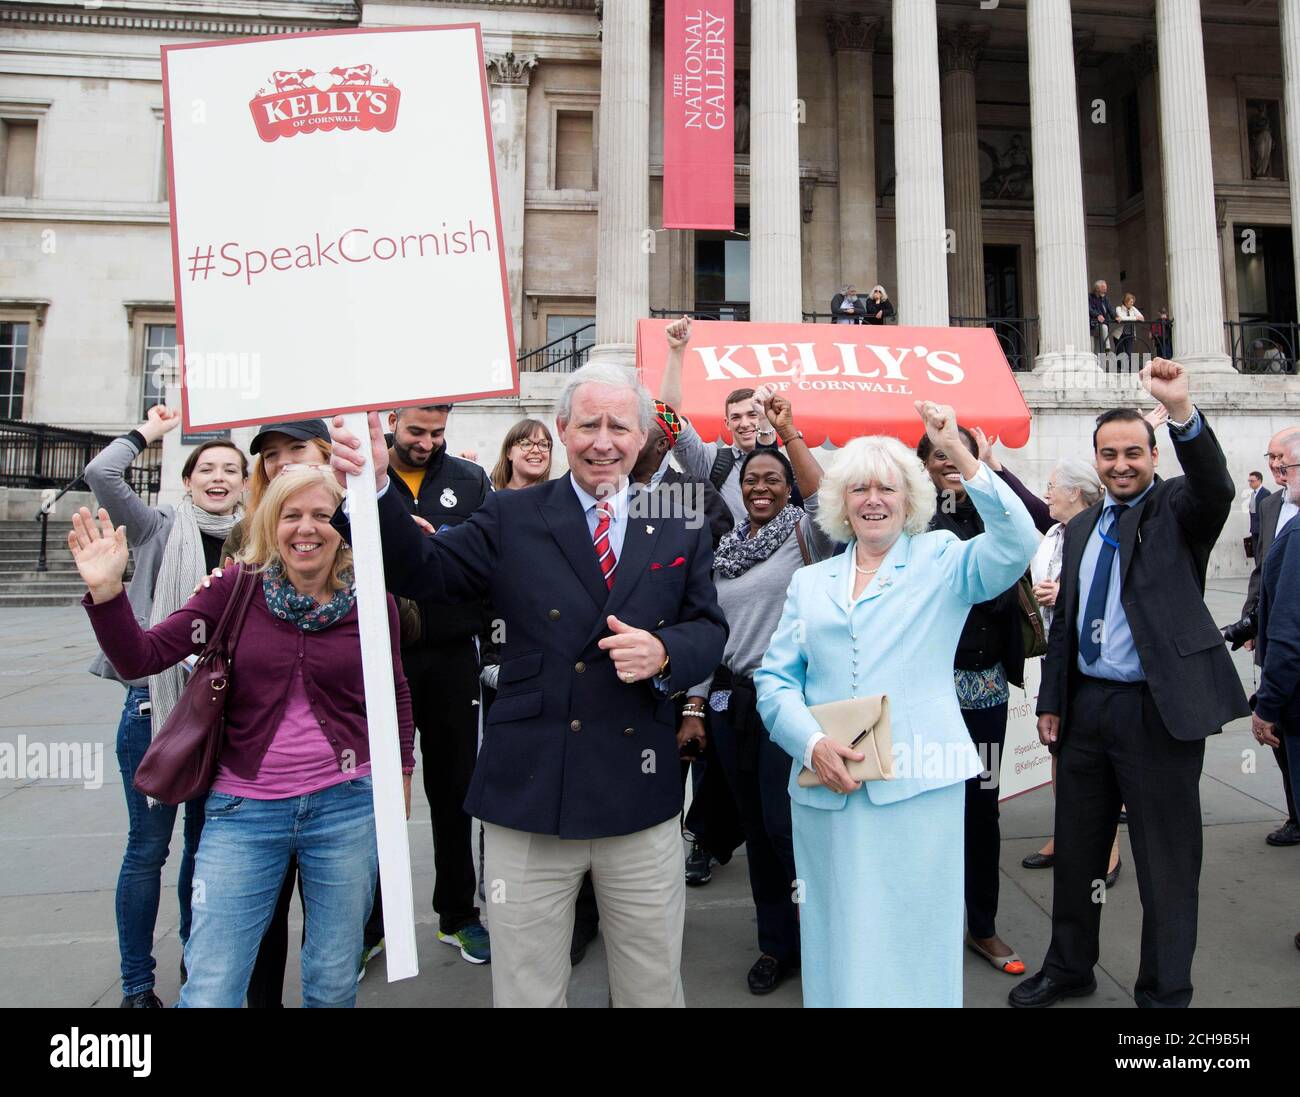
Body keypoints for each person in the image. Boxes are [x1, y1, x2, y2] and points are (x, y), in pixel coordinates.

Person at [328, 363, 728, 1008]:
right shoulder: (511, 513)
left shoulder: (675, 516)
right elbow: (424, 569)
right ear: (562, 431)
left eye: (619, 426)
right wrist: (375, 486)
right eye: (589, 425)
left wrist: (664, 650)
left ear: (642, 435)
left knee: (652, 982)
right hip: (532, 791)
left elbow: (710, 627)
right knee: (527, 987)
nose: (604, 441)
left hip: (640, 794)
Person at [72, 469, 415, 1007]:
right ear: (269, 524)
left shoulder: (374, 603)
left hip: (345, 808)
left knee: (331, 982)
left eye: (322, 515)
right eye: (291, 515)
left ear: (342, 527)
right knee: (212, 987)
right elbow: (140, 657)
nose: (307, 529)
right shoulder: (233, 591)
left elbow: (394, 690)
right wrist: (109, 591)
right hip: (244, 813)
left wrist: (401, 773)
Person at [754, 401, 1038, 1007]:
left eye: (888, 487)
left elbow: (1017, 543)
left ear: (911, 499)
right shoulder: (810, 582)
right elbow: (775, 681)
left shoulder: (942, 560)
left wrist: (961, 455)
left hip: (920, 785)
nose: (873, 499)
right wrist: (810, 743)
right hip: (828, 784)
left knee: (914, 934)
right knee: (837, 929)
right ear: (841, 502)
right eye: (859, 488)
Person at [1010, 360, 1250, 1010]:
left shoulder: (1178, 509)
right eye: (1109, 454)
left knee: (1167, 864)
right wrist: (1054, 702)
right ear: (1097, 458)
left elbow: (1215, 486)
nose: (1121, 465)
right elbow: (1064, 625)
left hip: (1157, 713)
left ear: (1151, 455)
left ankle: (1164, 993)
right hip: (1088, 709)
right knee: (1079, 852)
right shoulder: (1082, 528)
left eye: (1133, 453)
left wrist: (1179, 412)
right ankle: (1069, 966)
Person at [82, 406, 247, 1008]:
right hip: (153, 711)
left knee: (208, 852)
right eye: (207, 467)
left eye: (232, 468)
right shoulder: (156, 527)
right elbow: (103, 472)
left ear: (247, 482)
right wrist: (151, 429)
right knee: (148, 849)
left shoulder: (253, 541)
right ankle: (136, 985)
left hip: (223, 716)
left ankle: (199, 962)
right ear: (188, 478)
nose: (219, 477)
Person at [681, 391, 829, 995]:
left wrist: (788, 432)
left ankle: (821, 935)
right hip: (729, 702)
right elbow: (710, 629)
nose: (761, 487)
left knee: (784, 828)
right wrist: (693, 704)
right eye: (752, 480)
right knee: (751, 824)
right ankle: (776, 945)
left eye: (774, 478)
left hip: (789, 703)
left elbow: (823, 498)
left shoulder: (808, 536)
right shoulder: (725, 546)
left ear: (788, 486)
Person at [918, 423, 1036, 975]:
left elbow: (1038, 521)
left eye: (957, 453)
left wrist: (985, 464)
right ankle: (927, 923)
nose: (948, 461)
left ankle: (981, 927)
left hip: (983, 687)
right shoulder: (913, 523)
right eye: (937, 454)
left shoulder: (995, 514)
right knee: (923, 807)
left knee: (981, 808)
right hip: (924, 689)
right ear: (922, 467)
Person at [381, 404, 493, 964]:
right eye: (415, 432)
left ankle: (457, 913)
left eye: (437, 433)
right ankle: (372, 922)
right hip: (379, 654)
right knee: (374, 795)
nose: (426, 443)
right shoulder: (363, 475)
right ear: (393, 423)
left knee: (454, 791)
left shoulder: (470, 480)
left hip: (451, 655)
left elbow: (489, 560)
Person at [1018, 459, 1120, 882]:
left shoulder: (1105, 532)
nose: (1046, 494)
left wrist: (1065, 592)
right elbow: (1019, 501)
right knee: (1057, 747)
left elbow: (1117, 588)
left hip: (1094, 663)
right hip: (1055, 655)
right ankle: (1065, 834)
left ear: (1076, 492)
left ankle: (1108, 846)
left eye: (1053, 486)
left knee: (1099, 755)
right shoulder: (1055, 534)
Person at [1225, 427, 1300, 846]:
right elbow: (1262, 575)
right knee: (1282, 741)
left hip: (1288, 646)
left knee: (1282, 720)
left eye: (1282, 461)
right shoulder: (1272, 505)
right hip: (1272, 632)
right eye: (1270, 458)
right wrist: (1251, 623)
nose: (1275, 467)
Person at [656, 315, 787, 525]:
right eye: (736, 417)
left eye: (752, 414)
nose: (744, 423)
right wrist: (676, 351)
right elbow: (668, 418)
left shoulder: (785, 464)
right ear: (726, 423)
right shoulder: (710, 460)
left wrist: (765, 422)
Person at [1250, 433, 1300, 951]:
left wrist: (1267, 706)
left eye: (1287, 466)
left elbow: (1289, 632)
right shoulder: (1276, 512)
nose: (1281, 475)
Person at [221, 420, 332, 562]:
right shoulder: (244, 532)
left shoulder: (354, 517)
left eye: (297, 447)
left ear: (327, 455)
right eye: (271, 454)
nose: (282, 462)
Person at [490, 418, 554, 491]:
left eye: (543, 444)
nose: (536, 450)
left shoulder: (558, 497)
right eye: (526, 444)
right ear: (509, 452)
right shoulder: (487, 495)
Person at [1113, 292, 1143, 364]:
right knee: (1119, 352)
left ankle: (1129, 370)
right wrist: (1135, 318)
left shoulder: (1133, 309)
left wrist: (1127, 318)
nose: (1132, 303)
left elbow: (1142, 318)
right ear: (1126, 301)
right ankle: (1120, 369)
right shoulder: (1119, 308)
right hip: (1119, 334)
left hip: (1129, 334)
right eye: (1131, 302)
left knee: (1129, 352)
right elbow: (1121, 318)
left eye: (1133, 302)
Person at [1088, 280, 1116, 355]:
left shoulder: (1104, 299)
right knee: (1104, 327)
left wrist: (1116, 317)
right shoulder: (1090, 297)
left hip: (1102, 325)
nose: (1106, 288)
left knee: (1098, 348)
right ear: (1097, 288)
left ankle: (1098, 365)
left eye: (1106, 286)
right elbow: (1089, 309)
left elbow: (1110, 309)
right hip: (1093, 325)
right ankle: (1108, 347)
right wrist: (1097, 315)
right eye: (1103, 286)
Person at [1247, 470, 1269, 557]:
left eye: (1252, 481)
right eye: (1249, 481)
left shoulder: (1266, 493)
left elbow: (1266, 513)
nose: (1250, 483)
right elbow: (1252, 511)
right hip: (1254, 529)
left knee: (1261, 554)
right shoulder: (1253, 494)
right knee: (1256, 553)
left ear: (1259, 481)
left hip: (1261, 529)